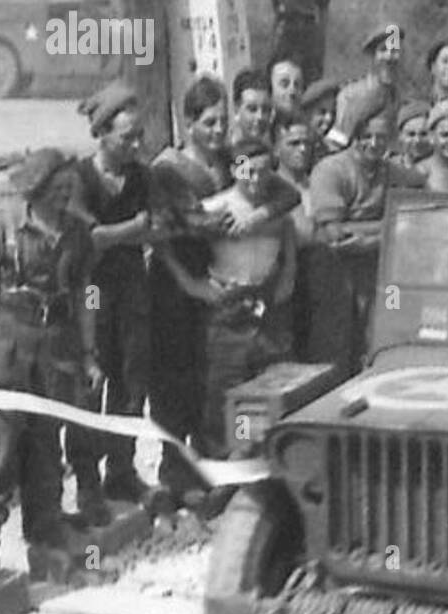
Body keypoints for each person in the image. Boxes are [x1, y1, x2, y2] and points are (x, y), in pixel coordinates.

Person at [0, 150, 100, 585]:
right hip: (6, 344)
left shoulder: (78, 234)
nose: (63, 197)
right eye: (56, 190)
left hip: (56, 345)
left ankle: (45, 539)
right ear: (35, 190)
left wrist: (89, 353)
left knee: (45, 449)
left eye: (68, 190)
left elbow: (87, 294)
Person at [68, 82, 163, 520]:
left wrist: (121, 233)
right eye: (127, 137)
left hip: (133, 290)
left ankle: (121, 471)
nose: (136, 145)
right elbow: (89, 239)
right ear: (103, 135)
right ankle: (88, 483)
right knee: (91, 387)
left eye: (139, 135)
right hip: (92, 292)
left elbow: (156, 226)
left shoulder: (142, 176)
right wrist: (132, 229)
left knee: (132, 381)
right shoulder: (80, 179)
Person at [176, 139, 299, 461]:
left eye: (263, 172)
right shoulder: (215, 208)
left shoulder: (276, 209)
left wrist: (289, 272)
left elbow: (287, 235)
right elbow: (166, 241)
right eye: (248, 171)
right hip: (227, 307)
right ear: (233, 170)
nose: (256, 179)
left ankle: (254, 461)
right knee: (224, 390)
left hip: (266, 305)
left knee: (264, 390)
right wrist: (190, 283)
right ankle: (221, 467)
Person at [147, 75, 233, 504]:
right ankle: (174, 474)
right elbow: (161, 237)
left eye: (223, 122)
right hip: (175, 287)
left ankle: (208, 469)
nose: (218, 131)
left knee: (208, 379)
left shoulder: (227, 163)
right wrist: (189, 284)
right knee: (174, 381)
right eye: (209, 123)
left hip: (215, 284)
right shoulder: (167, 169)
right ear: (188, 122)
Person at [308, 110, 423, 371]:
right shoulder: (331, 169)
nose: (374, 143)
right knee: (335, 348)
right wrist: (392, 228)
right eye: (366, 136)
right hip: (335, 273)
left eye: (381, 137)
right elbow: (335, 234)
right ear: (354, 137)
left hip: (380, 275)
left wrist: (373, 236)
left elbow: (420, 211)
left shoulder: (393, 171)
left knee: (383, 336)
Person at [329, 25, 405, 154]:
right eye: (383, 50)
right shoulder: (353, 94)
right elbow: (337, 142)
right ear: (372, 56)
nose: (389, 57)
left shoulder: (396, 95)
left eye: (394, 51)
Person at [230, 68, 274, 147]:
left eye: (265, 110)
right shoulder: (222, 151)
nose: (260, 116)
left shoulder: (276, 151)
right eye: (252, 109)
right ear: (236, 110)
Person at [394, 99, 432, 172]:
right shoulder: (388, 168)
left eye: (424, 134)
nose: (418, 140)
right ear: (400, 136)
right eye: (411, 134)